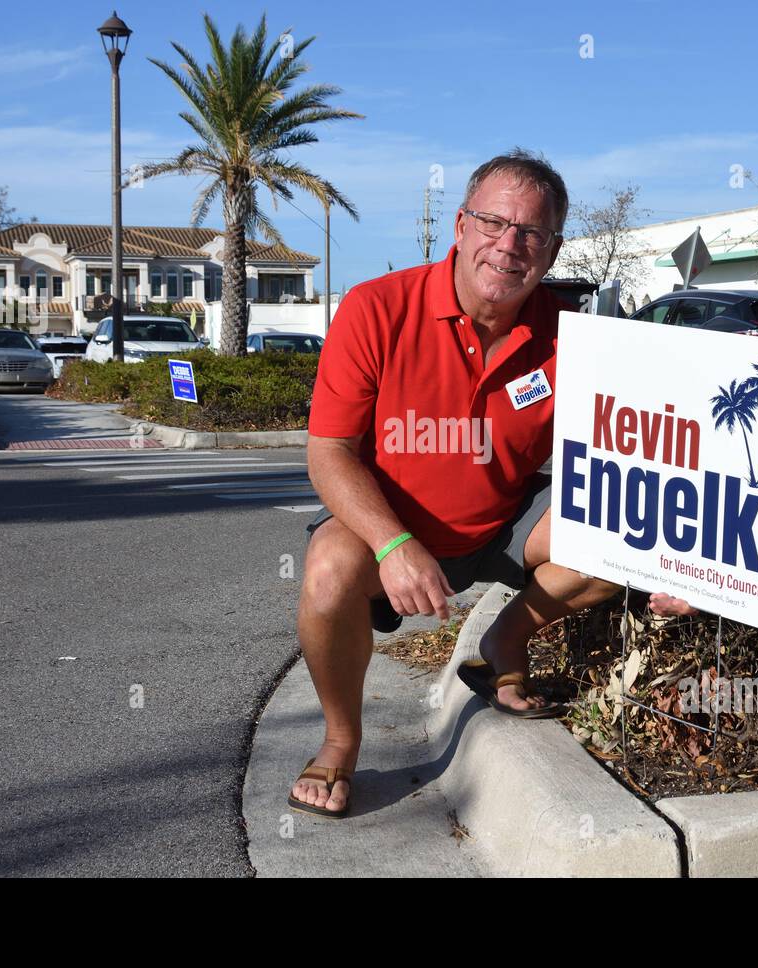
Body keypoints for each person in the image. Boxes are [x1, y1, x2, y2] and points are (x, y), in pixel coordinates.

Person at [288, 149, 693, 819]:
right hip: (390, 524)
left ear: (554, 249)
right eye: (493, 221)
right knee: (328, 573)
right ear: (460, 224)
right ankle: (341, 739)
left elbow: (644, 455)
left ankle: (504, 638)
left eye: (532, 232)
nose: (510, 244)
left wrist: (674, 566)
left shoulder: (576, 338)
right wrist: (393, 545)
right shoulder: (375, 308)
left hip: (504, 522)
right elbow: (329, 451)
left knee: (618, 537)